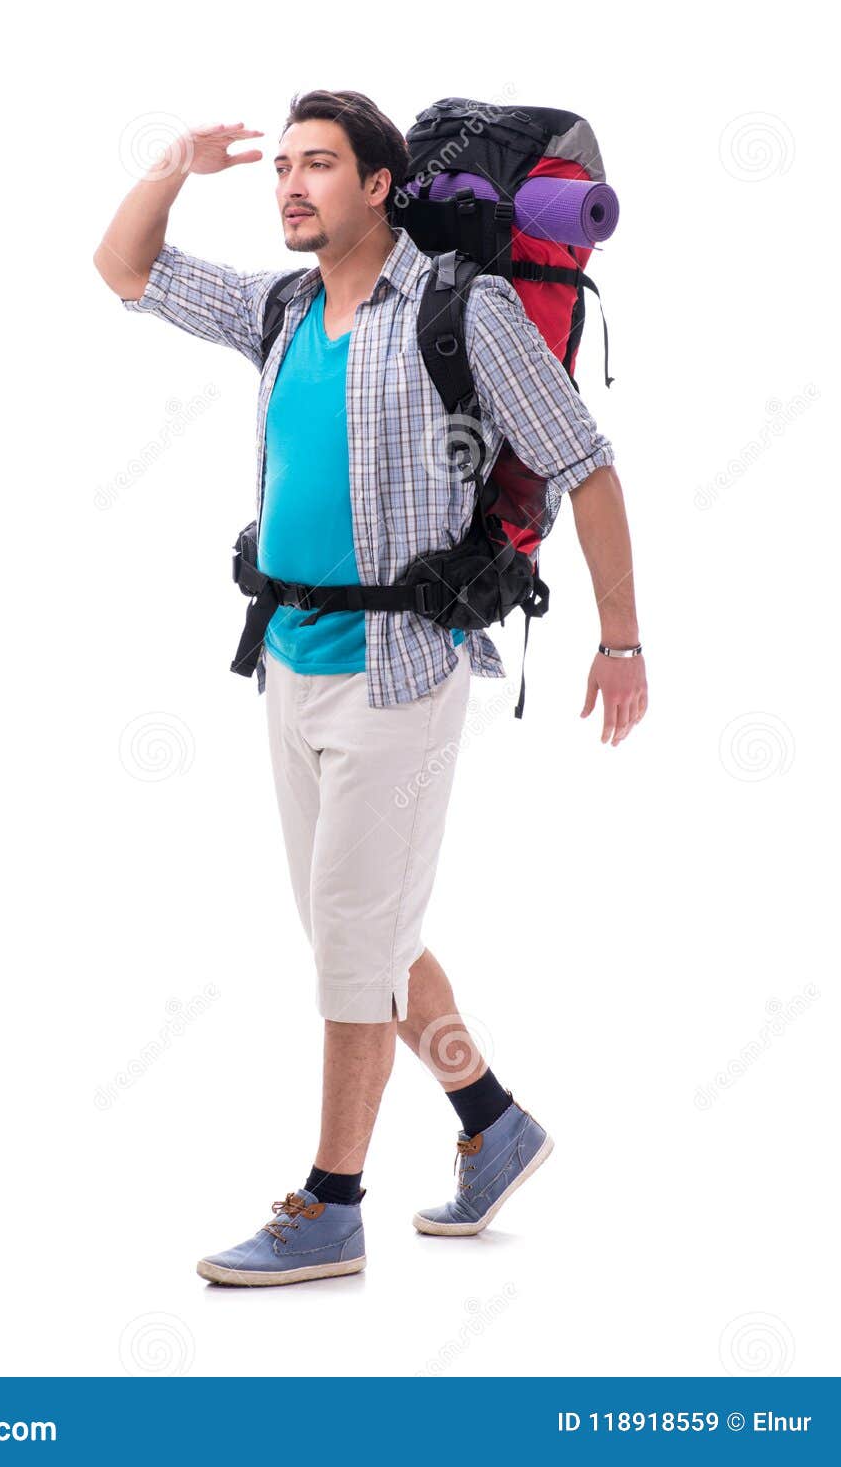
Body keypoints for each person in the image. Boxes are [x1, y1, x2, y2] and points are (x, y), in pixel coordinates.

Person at [93, 89, 647, 1288]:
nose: (291, 185)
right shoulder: (283, 306)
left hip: (404, 670)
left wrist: (622, 644)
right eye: (282, 167)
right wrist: (174, 166)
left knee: (353, 939)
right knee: (365, 934)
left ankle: (332, 1203)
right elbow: (124, 269)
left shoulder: (468, 308)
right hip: (290, 660)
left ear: (381, 184)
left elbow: (585, 463)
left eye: (321, 166)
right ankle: (493, 1123)